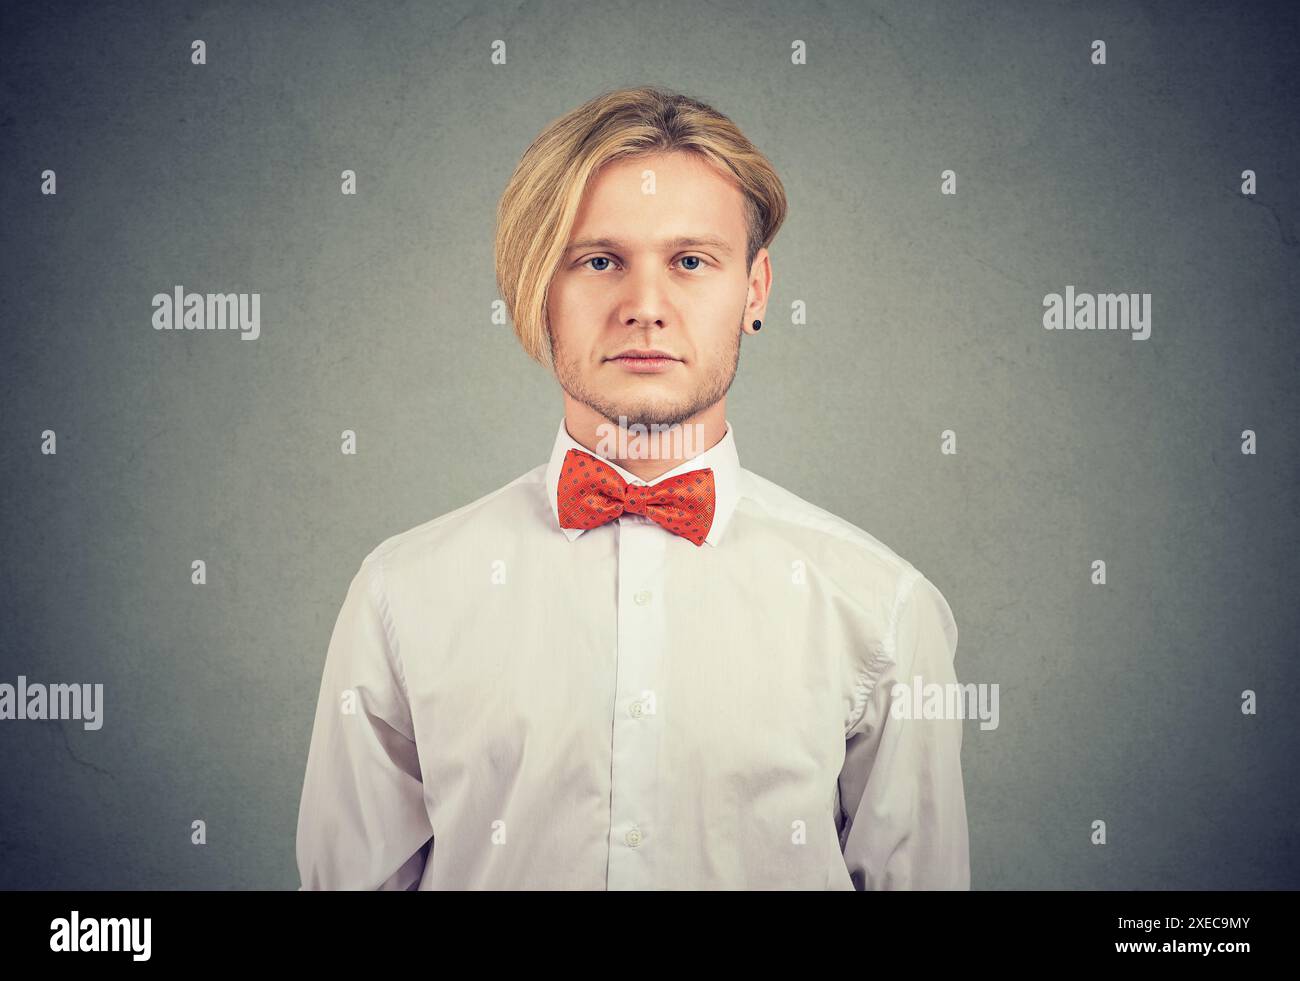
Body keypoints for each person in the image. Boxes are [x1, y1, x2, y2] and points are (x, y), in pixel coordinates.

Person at [296, 85, 969, 890]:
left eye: (691, 261)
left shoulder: (887, 610)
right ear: (537, 286)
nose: (645, 307)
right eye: (600, 260)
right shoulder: (398, 596)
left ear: (754, 290)